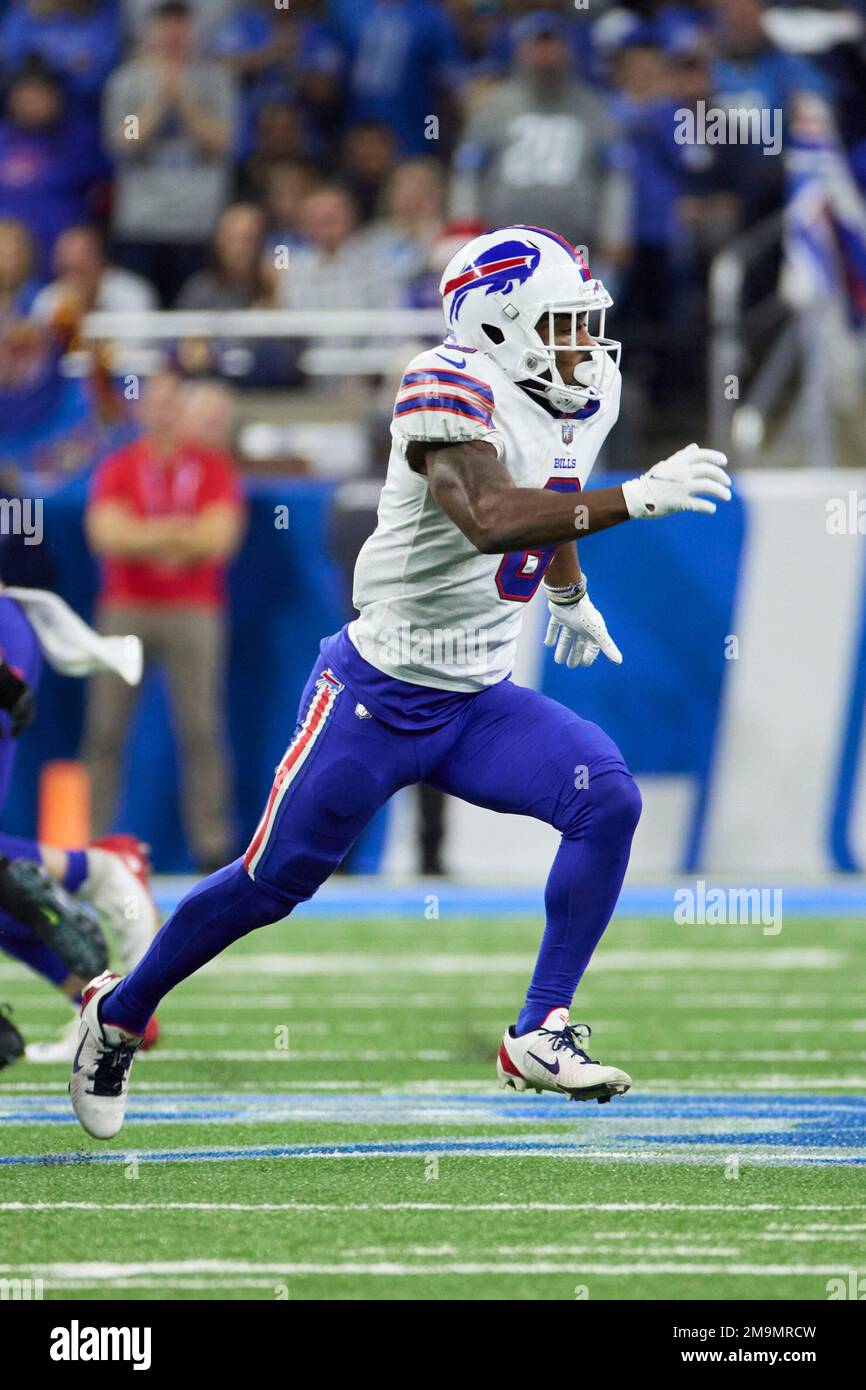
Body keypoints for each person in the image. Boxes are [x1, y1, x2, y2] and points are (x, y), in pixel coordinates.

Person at [68, 225, 731, 1140]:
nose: (588, 343)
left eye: (587, 321)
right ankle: (119, 1012)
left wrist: (571, 594)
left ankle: (539, 1028)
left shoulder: (588, 386)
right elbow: (494, 517)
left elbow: (556, 484)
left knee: (605, 797)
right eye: (567, 322)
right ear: (501, 326)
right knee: (271, 882)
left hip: (477, 700)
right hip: (377, 693)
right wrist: (635, 500)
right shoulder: (443, 382)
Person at [81, 370, 245, 873]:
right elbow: (106, 535)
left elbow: (220, 540)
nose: (164, 414)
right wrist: (179, 535)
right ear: (140, 411)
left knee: (201, 730)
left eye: (174, 404)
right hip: (127, 607)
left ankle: (211, 848)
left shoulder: (213, 468)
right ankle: (91, 844)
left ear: (185, 412)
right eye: (155, 404)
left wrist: (144, 536)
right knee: (105, 728)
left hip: (193, 610)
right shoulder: (119, 466)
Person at [102, 0, 238, 305]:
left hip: (199, 225)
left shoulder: (217, 79)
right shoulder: (126, 80)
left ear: (192, 30)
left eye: (181, 26)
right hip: (140, 225)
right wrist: (159, 100)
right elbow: (125, 140)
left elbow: (222, 142)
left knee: (193, 319)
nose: (173, 35)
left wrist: (185, 100)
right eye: (166, 26)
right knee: (140, 313)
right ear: (151, 31)